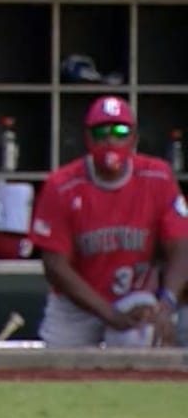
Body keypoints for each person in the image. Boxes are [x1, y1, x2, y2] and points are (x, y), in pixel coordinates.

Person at [29, 96, 188, 347]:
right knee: (56, 369)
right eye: (101, 132)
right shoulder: (61, 184)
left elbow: (181, 248)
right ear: (88, 138)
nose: (110, 140)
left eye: (120, 131)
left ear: (134, 138)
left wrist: (166, 303)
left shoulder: (157, 176)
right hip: (77, 302)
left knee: (140, 337)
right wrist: (109, 315)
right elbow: (55, 266)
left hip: (135, 296)